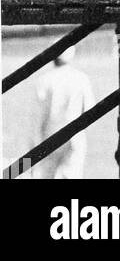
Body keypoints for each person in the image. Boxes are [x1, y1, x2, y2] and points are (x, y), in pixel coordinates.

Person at [35, 48, 94, 180]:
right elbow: (89, 109)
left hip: (49, 136)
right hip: (74, 135)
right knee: (71, 175)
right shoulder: (81, 78)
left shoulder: (44, 80)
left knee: (47, 176)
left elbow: (39, 116)